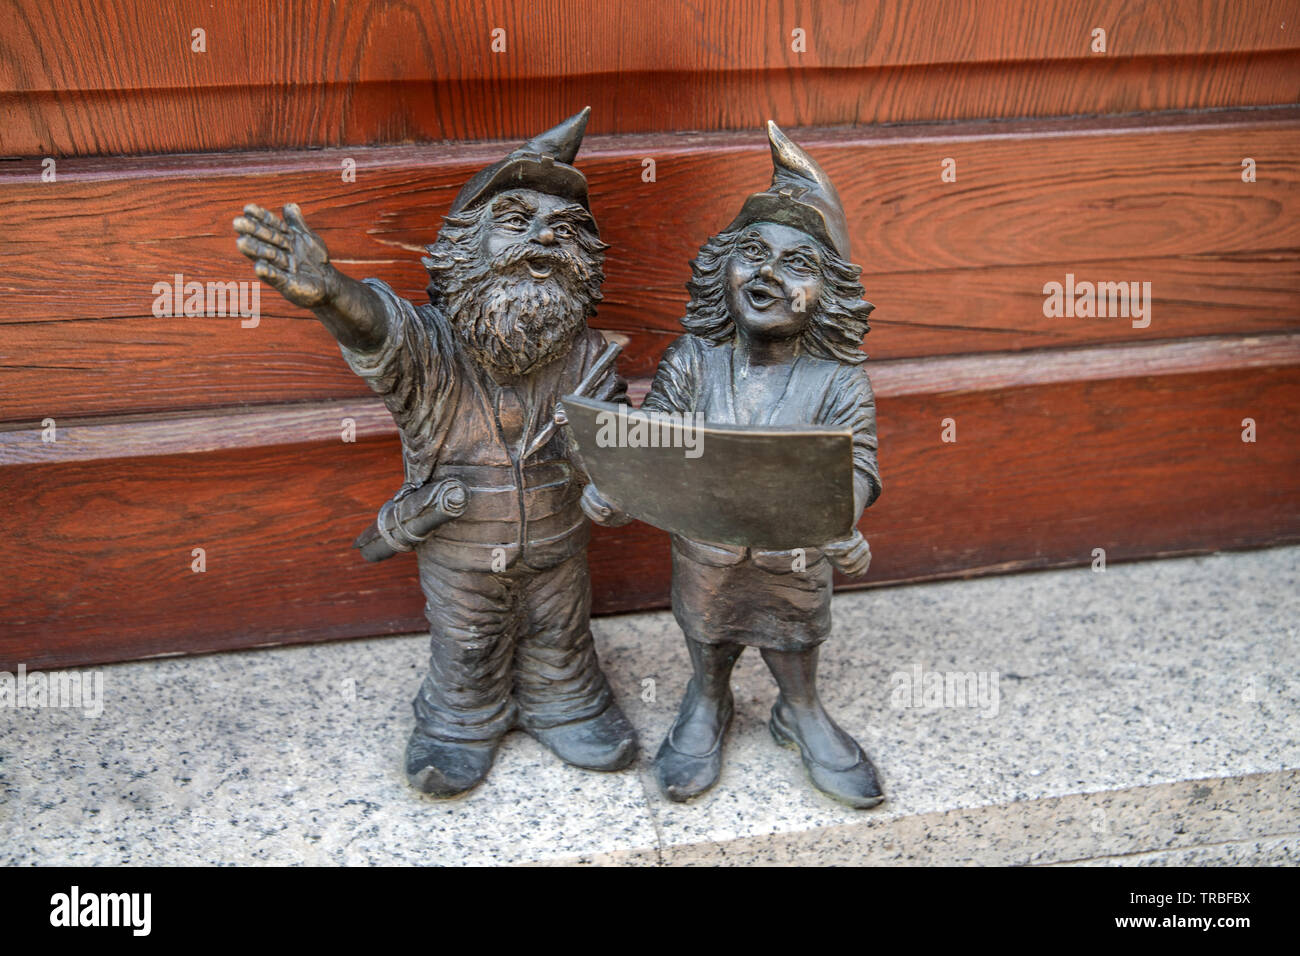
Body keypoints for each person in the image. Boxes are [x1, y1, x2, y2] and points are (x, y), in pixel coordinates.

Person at [234, 109, 637, 798]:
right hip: (458, 550)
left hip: (558, 545)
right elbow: (378, 327)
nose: (545, 237)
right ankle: (461, 721)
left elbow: (611, 440)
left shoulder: (589, 354)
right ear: (465, 246)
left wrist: (614, 485)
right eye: (516, 222)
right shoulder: (430, 348)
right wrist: (332, 294)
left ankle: (566, 704)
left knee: (560, 635)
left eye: (565, 230)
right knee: (467, 642)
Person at [585, 122, 883, 807]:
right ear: (722, 269)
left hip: (794, 559)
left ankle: (800, 709)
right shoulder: (694, 360)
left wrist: (841, 518)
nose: (769, 274)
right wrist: (618, 488)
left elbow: (858, 461)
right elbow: (654, 437)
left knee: (794, 635)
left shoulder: (838, 382)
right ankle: (708, 700)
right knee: (708, 629)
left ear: (829, 293)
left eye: (797, 263)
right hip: (707, 552)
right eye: (753, 253)